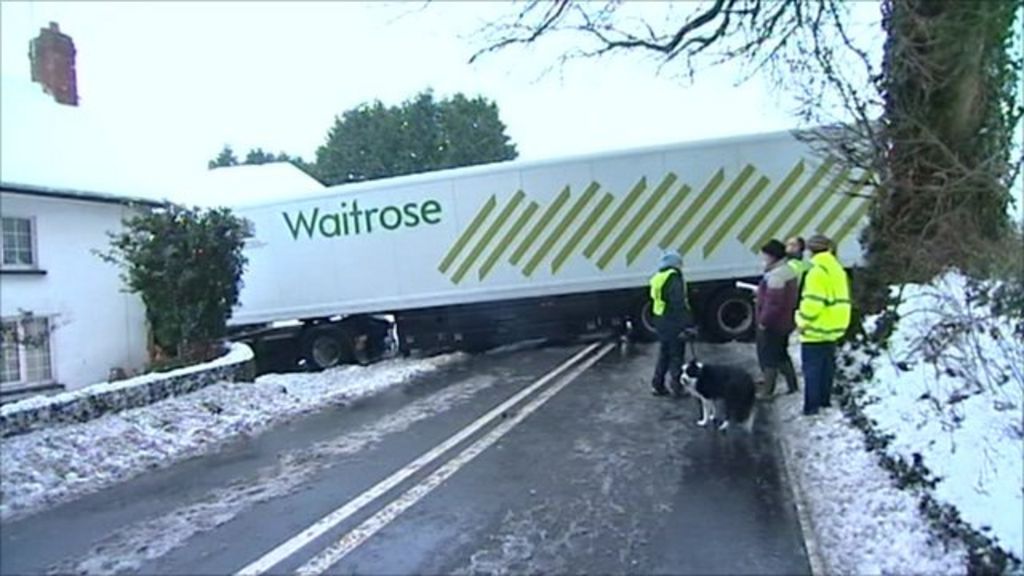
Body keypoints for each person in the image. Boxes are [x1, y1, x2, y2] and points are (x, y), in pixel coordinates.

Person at [794, 234, 852, 415]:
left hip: (816, 328)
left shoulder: (816, 271)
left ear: (810, 251)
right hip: (835, 326)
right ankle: (825, 400)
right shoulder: (837, 268)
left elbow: (813, 302)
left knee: (812, 369)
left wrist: (801, 320)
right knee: (827, 367)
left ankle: (811, 407)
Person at [755, 239, 800, 399]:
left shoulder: (776, 275)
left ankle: (768, 390)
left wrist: (763, 322)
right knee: (781, 353)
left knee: (770, 356)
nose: (764, 258)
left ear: (773, 256)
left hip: (775, 323)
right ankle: (792, 385)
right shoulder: (786, 270)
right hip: (785, 321)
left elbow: (774, 303)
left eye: (765, 255)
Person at [649, 250, 694, 397]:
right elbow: (678, 303)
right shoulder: (673, 278)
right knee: (676, 355)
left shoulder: (658, 277)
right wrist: (687, 325)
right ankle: (677, 386)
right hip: (673, 321)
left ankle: (658, 384)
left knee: (664, 353)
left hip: (660, 320)